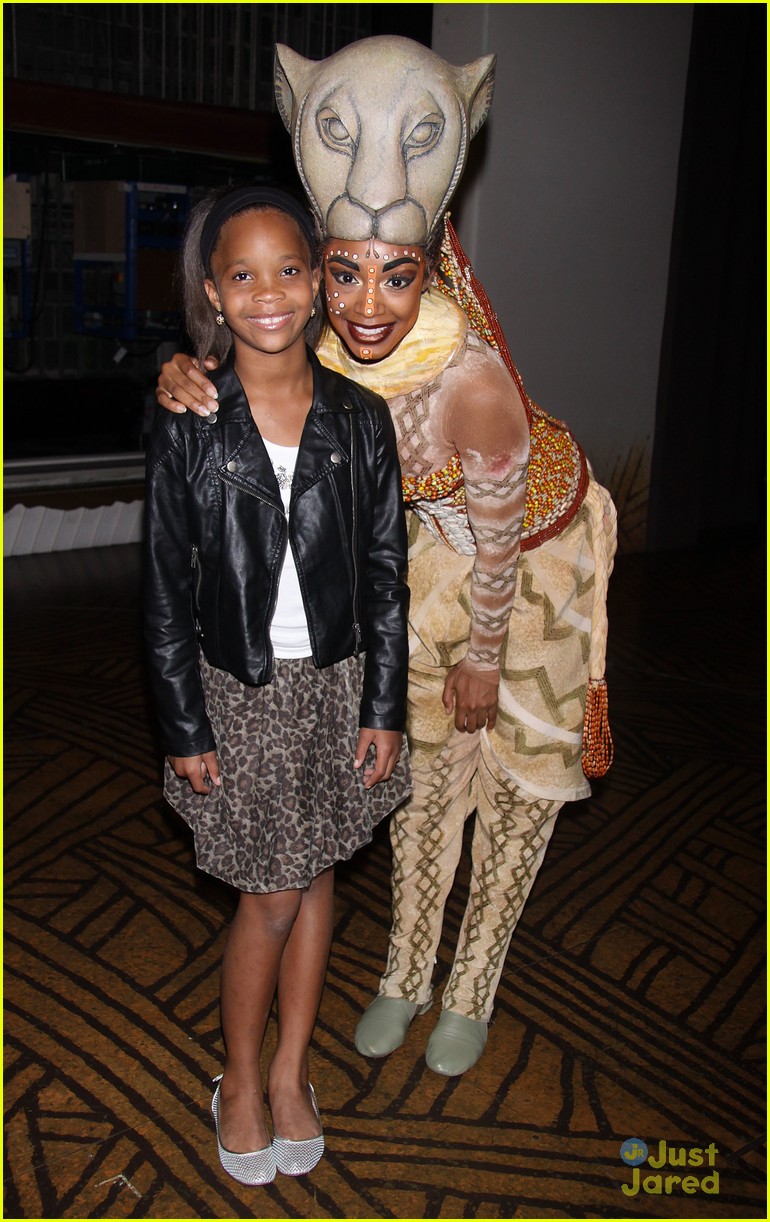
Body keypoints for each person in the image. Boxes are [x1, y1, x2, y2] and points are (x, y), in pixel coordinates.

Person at [153, 36, 616, 1080]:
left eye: (394, 275)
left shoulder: (469, 383)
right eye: (345, 274)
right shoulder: (309, 330)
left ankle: (470, 983)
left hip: (524, 576)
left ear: (424, 266)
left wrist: (487, 655)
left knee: (504, 789)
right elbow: (241, 347)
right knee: (410, 783)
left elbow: (495, 531)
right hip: (405, 573)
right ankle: (403, 970)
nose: (365, 305)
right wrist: (182, 368)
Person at [144, 185, 411, 1185]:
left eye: (288, 270)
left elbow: (384, 569)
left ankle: (295, 1069)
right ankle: (241, 1077)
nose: (267, 292)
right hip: (238, 690)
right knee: (269, 893)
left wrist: (384, 701)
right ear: (213, 291)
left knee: (320, 872)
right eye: (241, 274)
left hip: (340, 682)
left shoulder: (360, 417)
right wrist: (182, 721)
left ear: (319, 286)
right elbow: (165, 588)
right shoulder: (189, 417)